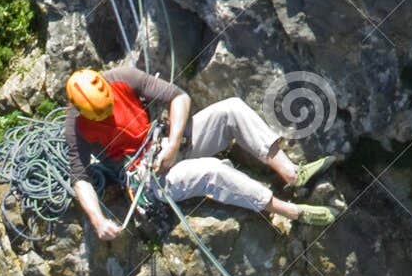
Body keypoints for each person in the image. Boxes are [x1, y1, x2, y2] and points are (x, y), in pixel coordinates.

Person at [65, 65, 340, 242]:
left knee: (231, 108)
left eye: (109, 107)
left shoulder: (124, 78)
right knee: (212, 170)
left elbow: (178, 97)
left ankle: (292, 174)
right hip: (147, 177)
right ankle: (291, 211)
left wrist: (172, 145)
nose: (108, 114)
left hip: (167, 144)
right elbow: (80, 177)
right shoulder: (76, 124)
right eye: (100, 114)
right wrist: (97, 220)